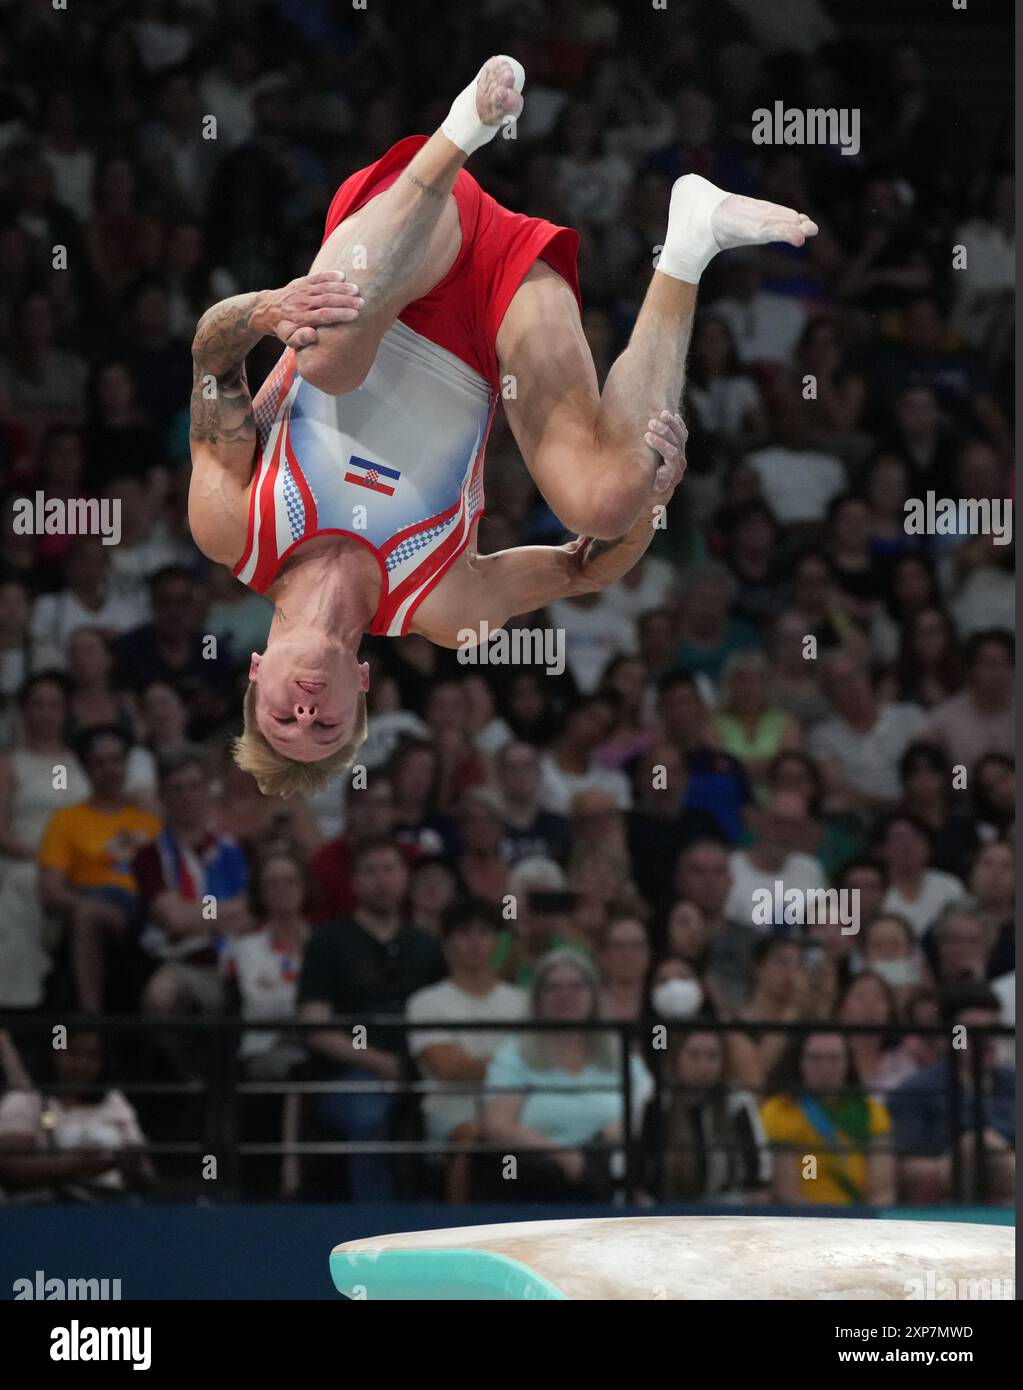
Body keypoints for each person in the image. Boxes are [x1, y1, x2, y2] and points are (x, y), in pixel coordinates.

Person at [186, 55, 816, 793]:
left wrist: (265, 310)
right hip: (499, 309)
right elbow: (583, 567)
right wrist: (649, 503)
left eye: (282, 718)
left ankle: (466, 124)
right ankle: (690, 240)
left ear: (255, 675)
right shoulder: (446, 610)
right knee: (605, 498)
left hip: (398, 242)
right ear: (361, 687)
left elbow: (210, 358)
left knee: (322, 354)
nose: (305, 709)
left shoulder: (231, 527)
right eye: (324, 725)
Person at [295, 839, 445, 1201]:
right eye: (370, 871)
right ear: (354, 883)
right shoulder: (328, 941)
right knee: (368, 1116)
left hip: (425, 1068)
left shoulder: (425, 945)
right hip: (349, 1073)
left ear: (405, 878)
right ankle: (374, 1226)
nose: (381, 880)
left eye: (389, 870)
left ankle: (448, 1221)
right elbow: (314, 1026)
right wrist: (381, 1063)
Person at [477, 950, 653, 1202]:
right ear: (537, 998)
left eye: (576, 987)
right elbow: (497, 1125)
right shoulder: (515, 1054)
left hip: (608, 1165)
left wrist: (617, 1132)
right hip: (537, 1176)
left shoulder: (619, 1052)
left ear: (594, 996)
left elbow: (647, 1103)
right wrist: (561, 1154)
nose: (565, 995)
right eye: (553, 987)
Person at [406, 899, 528, 1203]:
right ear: (447, 942)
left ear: (497, 940)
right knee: (471, 1133)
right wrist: (513, 1064)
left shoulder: (523, 1002)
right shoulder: (426, 1003)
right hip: (450, 1110)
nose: (475, 942)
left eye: (484, 932)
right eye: (464, 932)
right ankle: (457, 1225)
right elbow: (448, 1068)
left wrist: (482, 1064)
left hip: (517, 1107)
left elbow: (540, 1063)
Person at [37, 726, 161, 1013]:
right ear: (85, 768)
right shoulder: (65, 820)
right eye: (100, 762)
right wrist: (94, 907)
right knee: (86, 914)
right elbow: (50, 891)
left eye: (117, 760)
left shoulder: (150, 822)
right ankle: (91, 1018)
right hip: (93, 901)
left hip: (145, 907)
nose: (110, 769)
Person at [888, 983, 1014, 1205]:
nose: (984, 1041)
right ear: (951, 1036)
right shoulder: (916, 1091)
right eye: (971, 1031)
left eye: (992, 1030)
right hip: (943, 1203)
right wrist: (966, 1160)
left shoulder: (1014, 1084)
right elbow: (902, 1167)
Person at [0, 1027, 155, 1202]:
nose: (82, 1064)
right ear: (54, 1054)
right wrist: (75, 1165)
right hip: (45, 1209)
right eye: (73, 1053)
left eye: (92, 1056)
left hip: (113, 1207)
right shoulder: (25, 1099)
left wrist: (131, 1164)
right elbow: (10, 1167)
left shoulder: (114, 1100)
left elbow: (146, 1177)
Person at [760, 1031, 895, 1207]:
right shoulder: (779, 1110)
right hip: (803, 1220)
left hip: (861, 1220)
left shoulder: (872, 1111)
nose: (825, 1067)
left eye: (834, 1059)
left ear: (848, 1063)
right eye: (816, 1059)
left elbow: (884, 1192)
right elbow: (787, 1193)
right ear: (800, 1062)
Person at [641, 1027, 771, 1202]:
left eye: (712, 1057)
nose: (703, 1066)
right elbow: (635, 1174)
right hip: (662, 1209)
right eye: (694, 1056)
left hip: (724, 1210)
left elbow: (758, 1176)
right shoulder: (654, 1101)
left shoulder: (738, 1102)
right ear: (676, 1059)